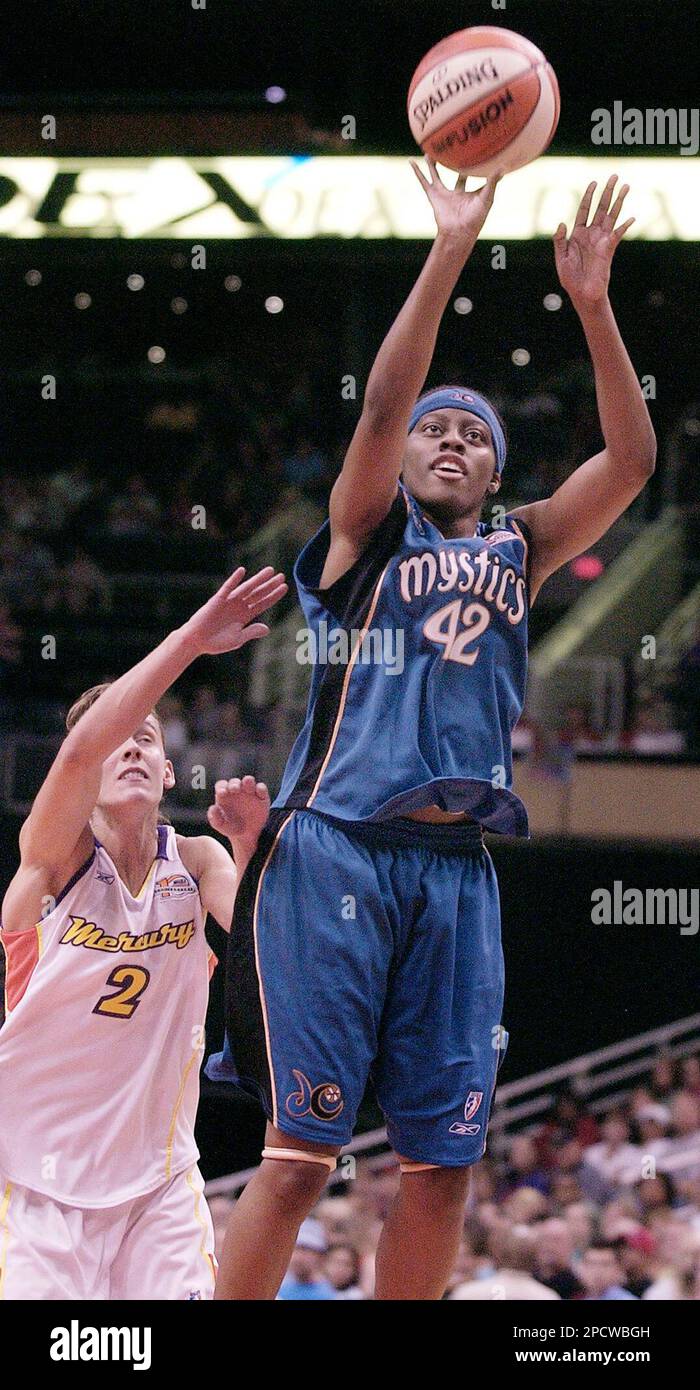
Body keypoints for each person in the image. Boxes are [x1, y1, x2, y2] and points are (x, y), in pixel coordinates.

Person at [207, 164, 656, 1301]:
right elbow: (375, 408)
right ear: (403, 460)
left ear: (498, 469)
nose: (446, 439)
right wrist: (451, 245)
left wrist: (594, 309)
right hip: (333, 848)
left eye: (470, 432)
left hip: (457, 867)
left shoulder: (520, 549)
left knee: (442, 1170)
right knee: (301, 1161)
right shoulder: (363, 539)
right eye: (431, 430)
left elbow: (634, 464)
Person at [0, 563, 286, 1300]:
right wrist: (191, 640)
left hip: (157, 1186)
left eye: (147, 738)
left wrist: (254, 849)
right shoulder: (53, 864)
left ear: (166, 773)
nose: (129, 746)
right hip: (35, 1184)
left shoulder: (195, 862)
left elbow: (274, 946)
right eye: (116, 737)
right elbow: (78, 750)